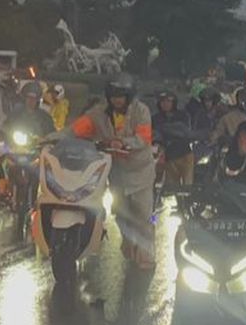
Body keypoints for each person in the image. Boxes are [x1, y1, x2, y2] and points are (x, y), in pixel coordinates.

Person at [71, 74, 157, 268]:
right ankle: (129, 245)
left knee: (144, 216)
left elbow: (143, 138)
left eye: (121, 96)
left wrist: (122, 142)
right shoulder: (98, 112)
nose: (117, 100)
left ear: (129, 96)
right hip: (116, 175)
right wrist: (53, 138)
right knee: (121, 214)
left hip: (140, 174)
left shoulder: (141, 111)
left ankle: (146, 256)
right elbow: (76, 129)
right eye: (114, 96)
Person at [152, 90, 194, 187]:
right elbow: (154, 135)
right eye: (162, 101)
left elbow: (184, 132)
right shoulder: (155, 118)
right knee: (171, 187)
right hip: (168, 157)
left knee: (188, 185)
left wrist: (164, 129)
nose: (165, 104)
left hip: (185, 154)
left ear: (173, 103)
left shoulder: (183, 115)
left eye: (168, 101)